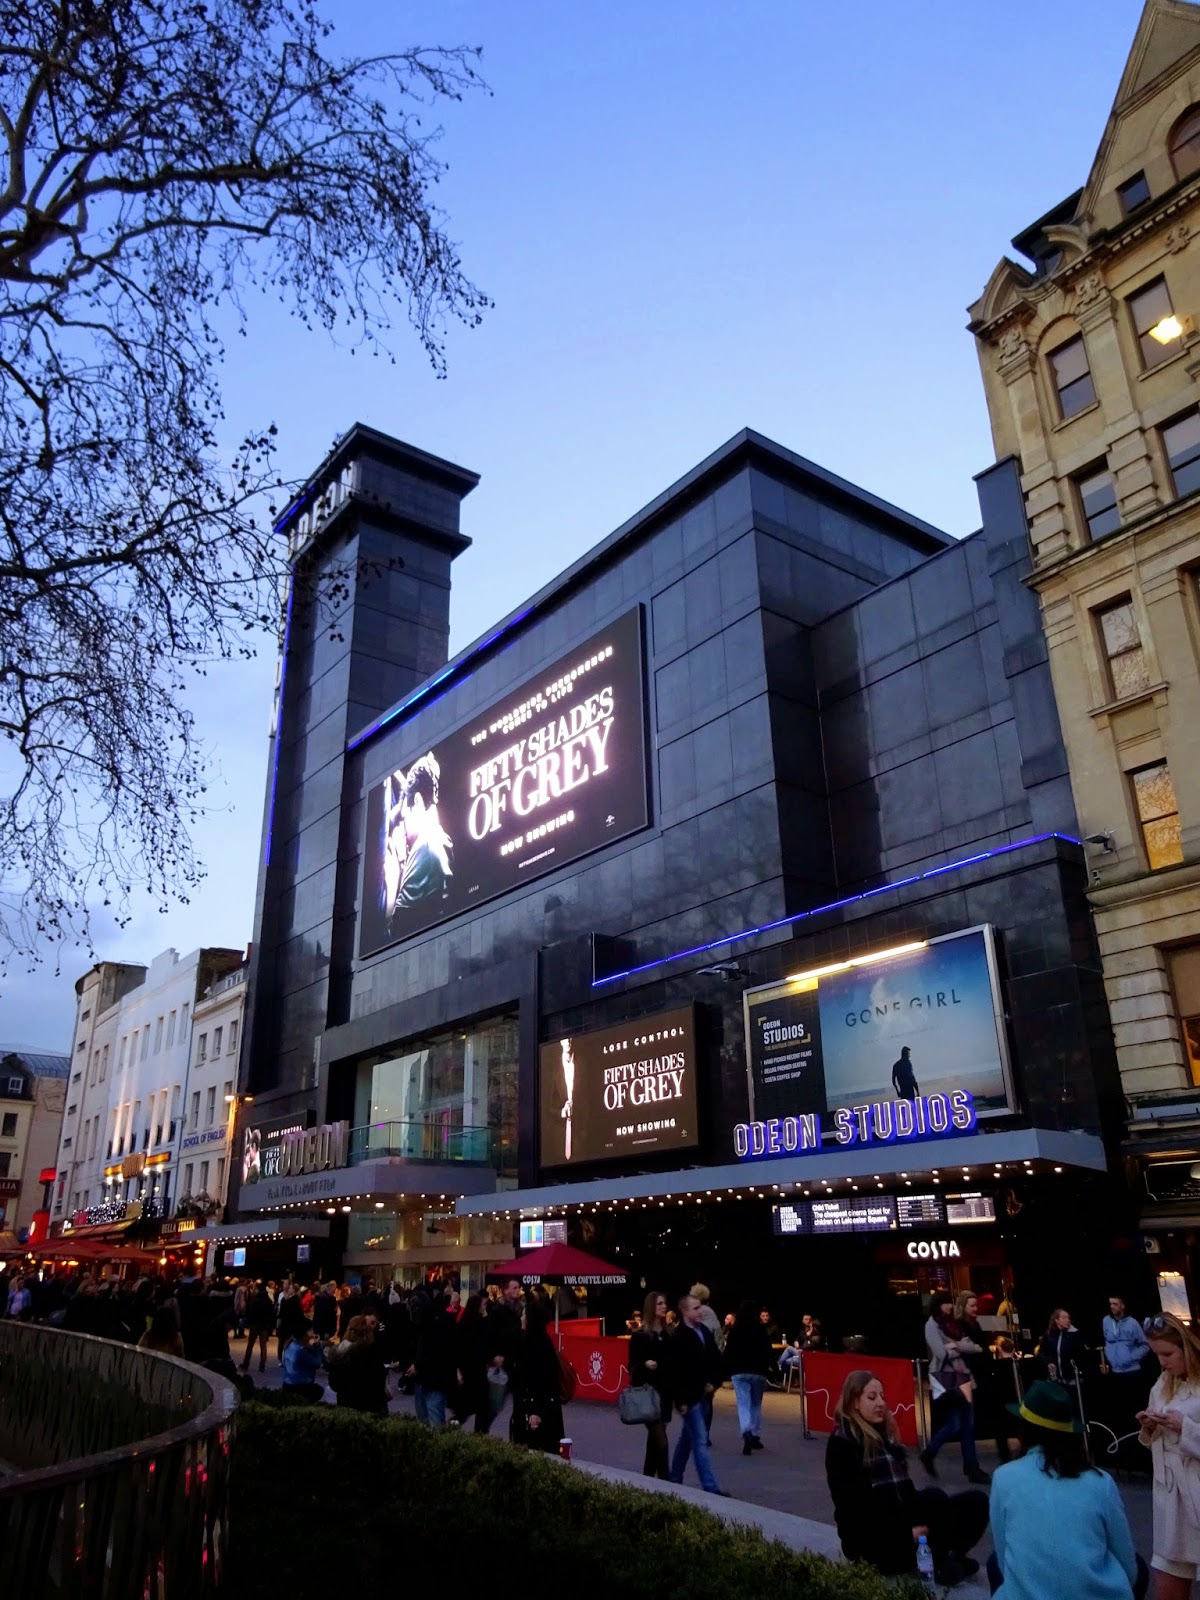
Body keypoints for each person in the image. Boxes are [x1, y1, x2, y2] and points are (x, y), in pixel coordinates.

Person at [826, 1368, 988, 1587]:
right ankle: (941, 1560)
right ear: (854, 1402)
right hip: (877, 1543)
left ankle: (948, 1554)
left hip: (901, 1521)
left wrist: (925, 1519)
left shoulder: (884, 1437)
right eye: (872, 1397)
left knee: (976, 1502)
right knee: (934, 1498)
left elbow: (908, 1496)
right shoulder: (843, 1444)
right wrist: (906, 1534)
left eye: (882, 1396)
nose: (880, 1403)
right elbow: (856, 1513)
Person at [986, 1377, 1145, 1599]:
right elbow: (1127, 1561)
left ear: (1025, 1429)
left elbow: (1004, 1555)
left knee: (995, 1563)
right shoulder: (1100, 1482)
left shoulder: (1004, 1477)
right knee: (1138, 1566)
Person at [1138, 1311, 1200, 1599]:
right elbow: (1156, 1443)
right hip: (1169, 1499)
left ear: (1185, 1347)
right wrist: (1150, 1427)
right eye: (1157, 1354)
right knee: (1168, 1585)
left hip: (1197, 1491)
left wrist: (1185, 1428)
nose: (1162, 1361)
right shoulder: (1162, 1383)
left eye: (1168, 1353)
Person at [921, 1295, 990, 1485]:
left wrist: (956, 1345)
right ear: (938, 1305)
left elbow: (970, 1345)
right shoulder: (932, 1325)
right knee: (957, 1424)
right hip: (946, 1377)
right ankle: (930, 1452)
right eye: (946, 1303)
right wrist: (963, 1347)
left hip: (963, 1375)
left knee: (967, 1423)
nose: (950, 1306)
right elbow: (941, 1353)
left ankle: (971, 1467)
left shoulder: (952, 1324)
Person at [667, 1293, 726, 1495]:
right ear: (684, 1311)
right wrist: (681, 1399)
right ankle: (710, 1487)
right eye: (695, 1308)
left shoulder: (705, 1333)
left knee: (687, 1440)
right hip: (690, 1398)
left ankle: (674, 1477)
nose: (699, 1311)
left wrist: (714, 1382)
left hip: (704, 1395)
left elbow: (717, 1360)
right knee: (700, 1439)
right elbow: (676, 1371)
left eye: (700, 1307)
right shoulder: (680, 1337)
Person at [511, 1297, 564, 1454]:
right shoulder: (532, 1340)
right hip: (531, 1407)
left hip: (537, 1409)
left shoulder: (536, 1344)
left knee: (538, 1450)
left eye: (524, 1315)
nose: (521, 1318)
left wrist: (535, 1410)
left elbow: (540, 1380)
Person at [629, 1290, 672, 1479]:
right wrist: (644, 1364)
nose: (664, 1307)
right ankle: (666, 1481)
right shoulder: (639, 1336)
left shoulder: (668, 1335)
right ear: (651, 1307)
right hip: (647, 1395)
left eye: (665, 1303)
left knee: (654, 1440)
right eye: (659, 1303)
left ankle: (647, 1479)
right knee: (660, 1438)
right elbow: (631, 1365)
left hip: (665, 1393)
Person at [725, 1299, 775, 1455]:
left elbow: (729, 1352)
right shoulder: (761, 1329)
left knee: (743, 1403)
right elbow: (768, 1350)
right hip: (758, 1371)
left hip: (739, 1371)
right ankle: (755, 1434)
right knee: (756, 1404)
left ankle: (746, 1430)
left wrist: (724, 1369)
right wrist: (774, 1368)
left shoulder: (735, 1330)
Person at [406, 1289, 457, 1427]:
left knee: (432, 1421)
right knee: (427, 1420)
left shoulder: (437, 1322)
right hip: (426, 1379)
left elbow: (440, 1352)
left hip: (434, 1380)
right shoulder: (431, 1321)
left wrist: (418, 1365)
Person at [327, 1315, 389, 1416]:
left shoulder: (340, 1352)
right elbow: (378, 1380)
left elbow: (334, 1383)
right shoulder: (370, 1352)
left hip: (346, 1404)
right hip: (371, 1404)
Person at [1104, 1298, 1151, 1375]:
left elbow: (1145, 1344)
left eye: (1115, 1304)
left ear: (1122, 1306)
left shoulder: (1132, 1323)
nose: (1112, 1306)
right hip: (1114, 1370)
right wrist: (1109, 1355)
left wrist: (1131, 1358)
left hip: (1132, 1370)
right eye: (1110, 1304)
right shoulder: (1106, 1321)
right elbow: (1107, 1340)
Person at [1040, 1308, 1086, 1385]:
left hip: (1072, 1378)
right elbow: (1042, 1351)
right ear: (1057, 1320)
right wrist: (1048, 1362)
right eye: (1064, 1317)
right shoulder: (1049, 1335)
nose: (1067, 1320)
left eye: (1068, 1318)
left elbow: (1082, 1355)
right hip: (1054, 1378)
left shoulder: (1074, 1335)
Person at [281, 1323, 325, 1403]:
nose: (313, 1331)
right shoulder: (300, 1351)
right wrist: (318, 1347)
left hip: (287, 1384)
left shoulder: (290, 1344)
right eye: (310, 1330)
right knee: (318, 1390)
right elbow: (317, 1363)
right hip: (300, 1387)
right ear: (304, 1334)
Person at [240, 1280, 275, 1374]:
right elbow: (271, 1314)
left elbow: (251, 1313)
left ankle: (246, 1363)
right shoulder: (268, 1301)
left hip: (255, 1325)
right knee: (263, 1346)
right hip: (264, 1326)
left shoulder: (255, 1300)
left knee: (250, 1345)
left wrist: (249, 1323)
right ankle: (262, 1365)